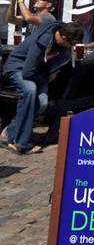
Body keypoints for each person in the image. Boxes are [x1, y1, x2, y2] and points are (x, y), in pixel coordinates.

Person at [1, 20, 82, 154]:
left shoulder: (63, 39)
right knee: (29, 90)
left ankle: (10, 132)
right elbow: (27, 73)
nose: (72, 47)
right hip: (18, 67)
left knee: (42, 103)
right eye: (71, 43)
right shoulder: (43, 40)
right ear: (63, 37)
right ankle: (21, 144)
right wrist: (47, 78)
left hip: (38, 72)